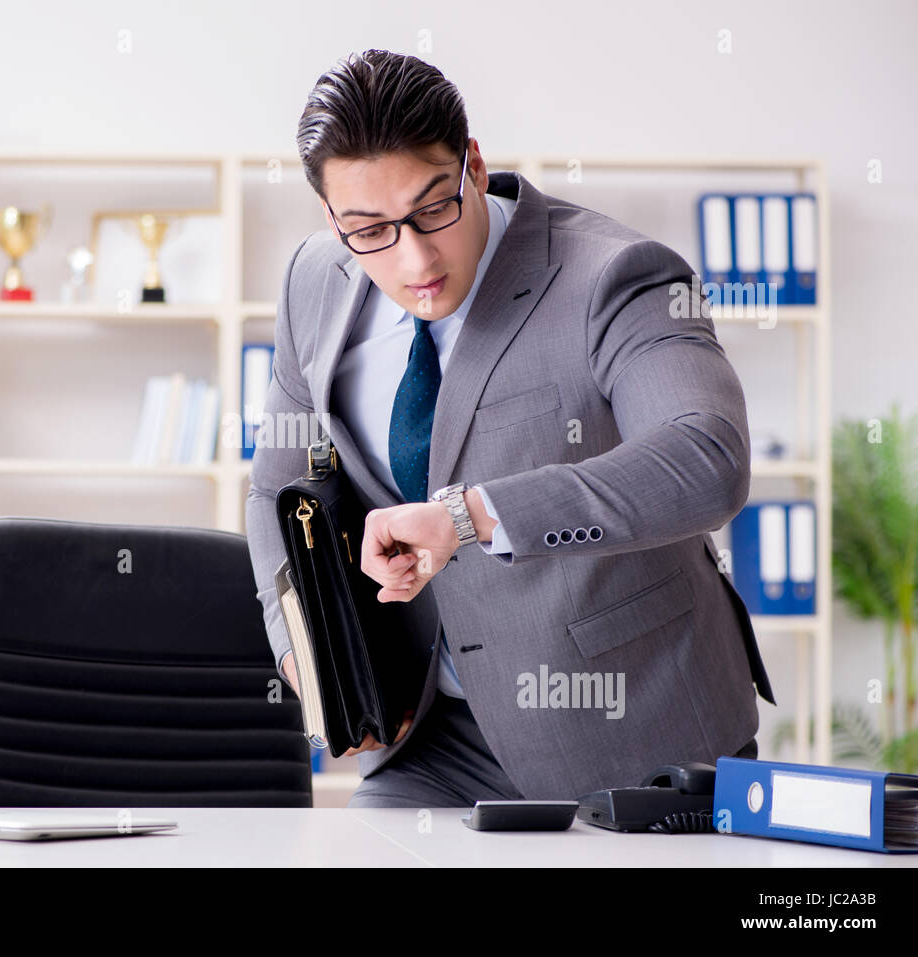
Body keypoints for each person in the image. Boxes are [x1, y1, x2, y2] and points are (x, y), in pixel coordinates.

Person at [244, 49, 774, 806]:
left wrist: (470, 515)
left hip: (634, 734)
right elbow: (275, 485)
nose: (414, 256)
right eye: (369, 229)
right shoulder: (312, 282)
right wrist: (300, 644)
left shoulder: (615, 276)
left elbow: (708, 455)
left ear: (474, 164)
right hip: (429, 740)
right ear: (331, 219)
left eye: (434, 208)